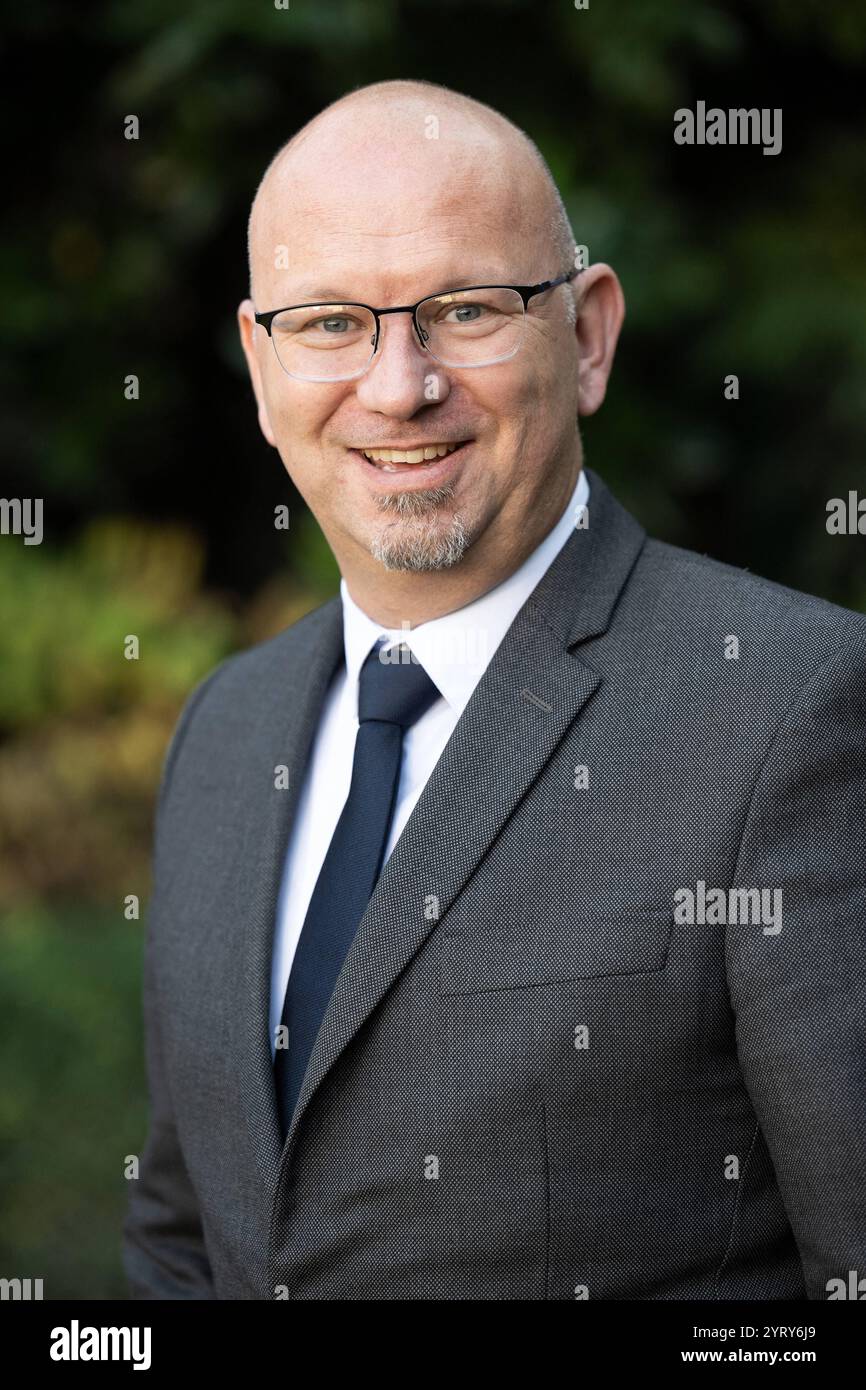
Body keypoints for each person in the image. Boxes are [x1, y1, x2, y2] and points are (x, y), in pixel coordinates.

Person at [122, 79, 866, 1300]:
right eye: (328, 324)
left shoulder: (792, 711)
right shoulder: (224, 728)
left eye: (463, 308)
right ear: (260, 367)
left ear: (585, 336)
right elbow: (180, 1231)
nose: (398, 385)